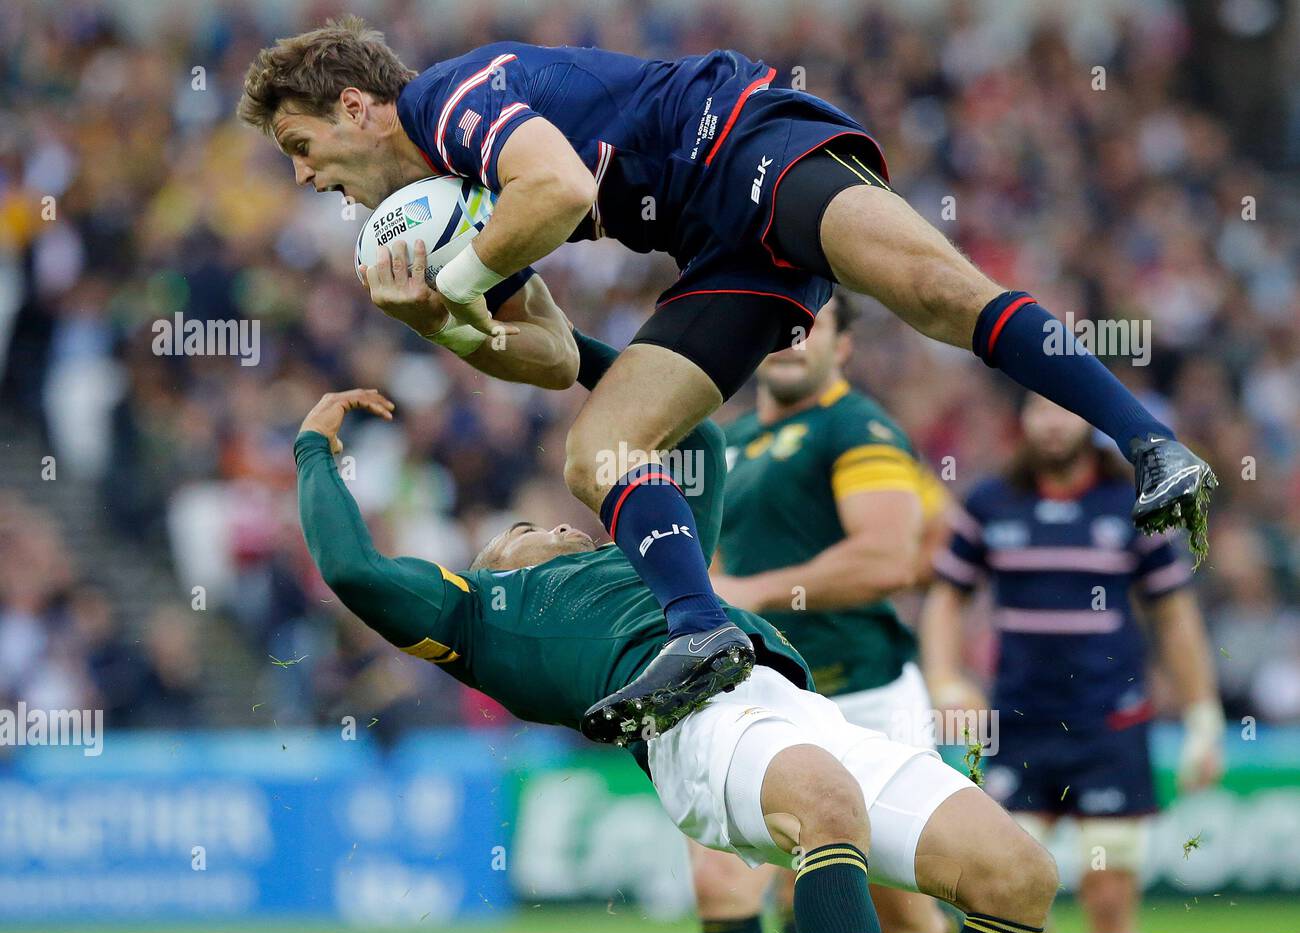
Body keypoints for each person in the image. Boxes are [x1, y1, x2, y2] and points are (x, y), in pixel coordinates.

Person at [242, 16, 1215, 742]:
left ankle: (1148, 442)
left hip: (744, 146)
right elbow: (544, 357)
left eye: (300, 146)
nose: (302, 176)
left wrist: (458, 280)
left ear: (359, 110)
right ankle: (701, 632)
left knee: (933, 292)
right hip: (714, 249)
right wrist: (441, 323)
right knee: (597, 450)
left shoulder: (447, 102)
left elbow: (565, 189)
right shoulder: (462, 195)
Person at [293, 330, 1057, 933]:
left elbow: (696, 436)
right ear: (491, 561)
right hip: (693, 728)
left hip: (802, 709)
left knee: (1019, 874)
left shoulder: (655, 554)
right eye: (521, 529)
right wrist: (315, 448)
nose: (554, 522)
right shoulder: (479, 612)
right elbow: (353, 568)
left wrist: (573, 355)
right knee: (824, 804)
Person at [689, 292, 950, 933]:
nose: (790, 336)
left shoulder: (859, 426)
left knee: (905, 915)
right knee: (721, 884)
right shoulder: (730, 440)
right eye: (777, 323)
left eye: (809, 325)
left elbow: (889, 558)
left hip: (864, 694)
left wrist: (748, 591)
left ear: (843, 345)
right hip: (761, 695)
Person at [920, 394, 1225, 933]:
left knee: (1108, 898)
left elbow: (1174, 612)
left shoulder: (1134, 503)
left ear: (1088, 419)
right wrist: (944, 679)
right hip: (1017, 724)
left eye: (1064, 409)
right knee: (1004, 890)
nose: (1053, 423)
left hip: (1109, 725)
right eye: (1039, 410)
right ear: (1022, 421)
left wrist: (1204, 716)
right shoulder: (991, 502)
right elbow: (946, 598)